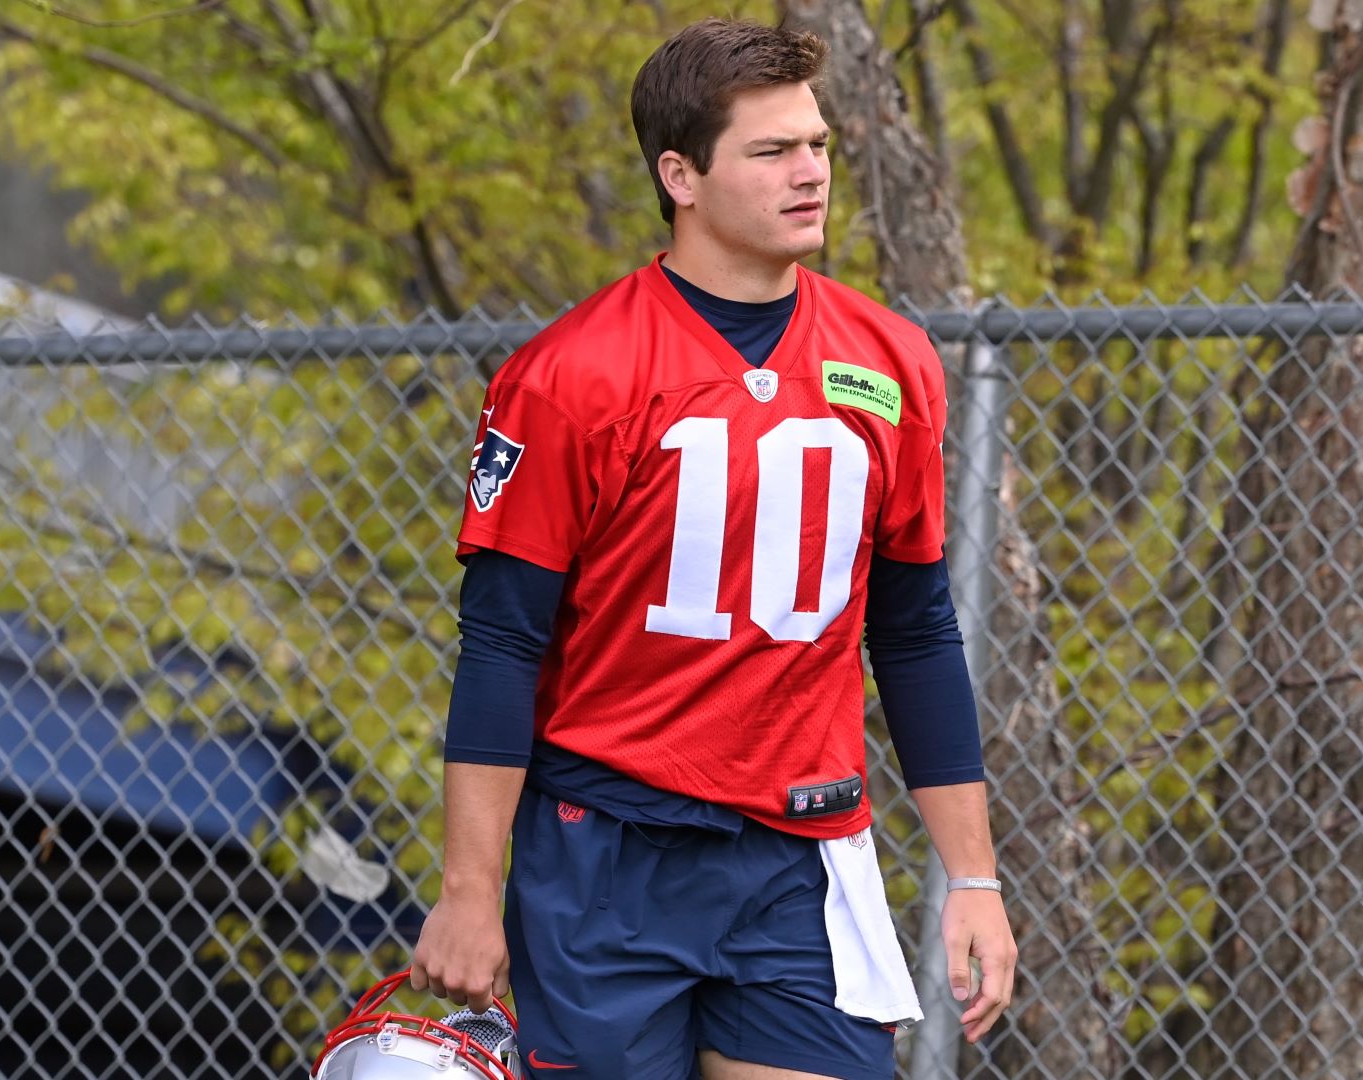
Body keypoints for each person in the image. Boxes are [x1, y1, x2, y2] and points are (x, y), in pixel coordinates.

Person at [408, 17, 1016, 1080]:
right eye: (772, 151)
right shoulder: (570, 375)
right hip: (605, 853)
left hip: (798, 856)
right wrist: (469, 891)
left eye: (818, 146)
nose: (811, 174)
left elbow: (915, 631)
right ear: (680, 175)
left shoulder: (893, 362)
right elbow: (502, 647)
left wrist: (973, 879)